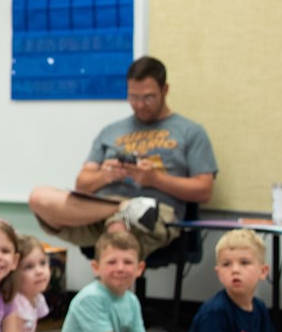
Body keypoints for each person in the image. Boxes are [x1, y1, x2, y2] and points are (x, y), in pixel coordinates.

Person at [28, 56, 217, 259]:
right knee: (39, 198)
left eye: (148, 97)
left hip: (153, 213)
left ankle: (127, 214)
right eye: (133, 97)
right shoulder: (111, 131)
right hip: (100, 208)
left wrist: (155, 179)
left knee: (118, 229)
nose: (140, 105)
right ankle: (124, 207)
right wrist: (105, 176)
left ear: (165, 90)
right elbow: (82, 184)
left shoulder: (190, 132)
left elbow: (204, 190)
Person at [58, 231, 176, 332]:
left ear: (139, 268)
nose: (120, 268)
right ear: (96, 268)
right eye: (112, 262)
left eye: (128, 262)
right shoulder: (91, 296)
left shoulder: (131, 300)